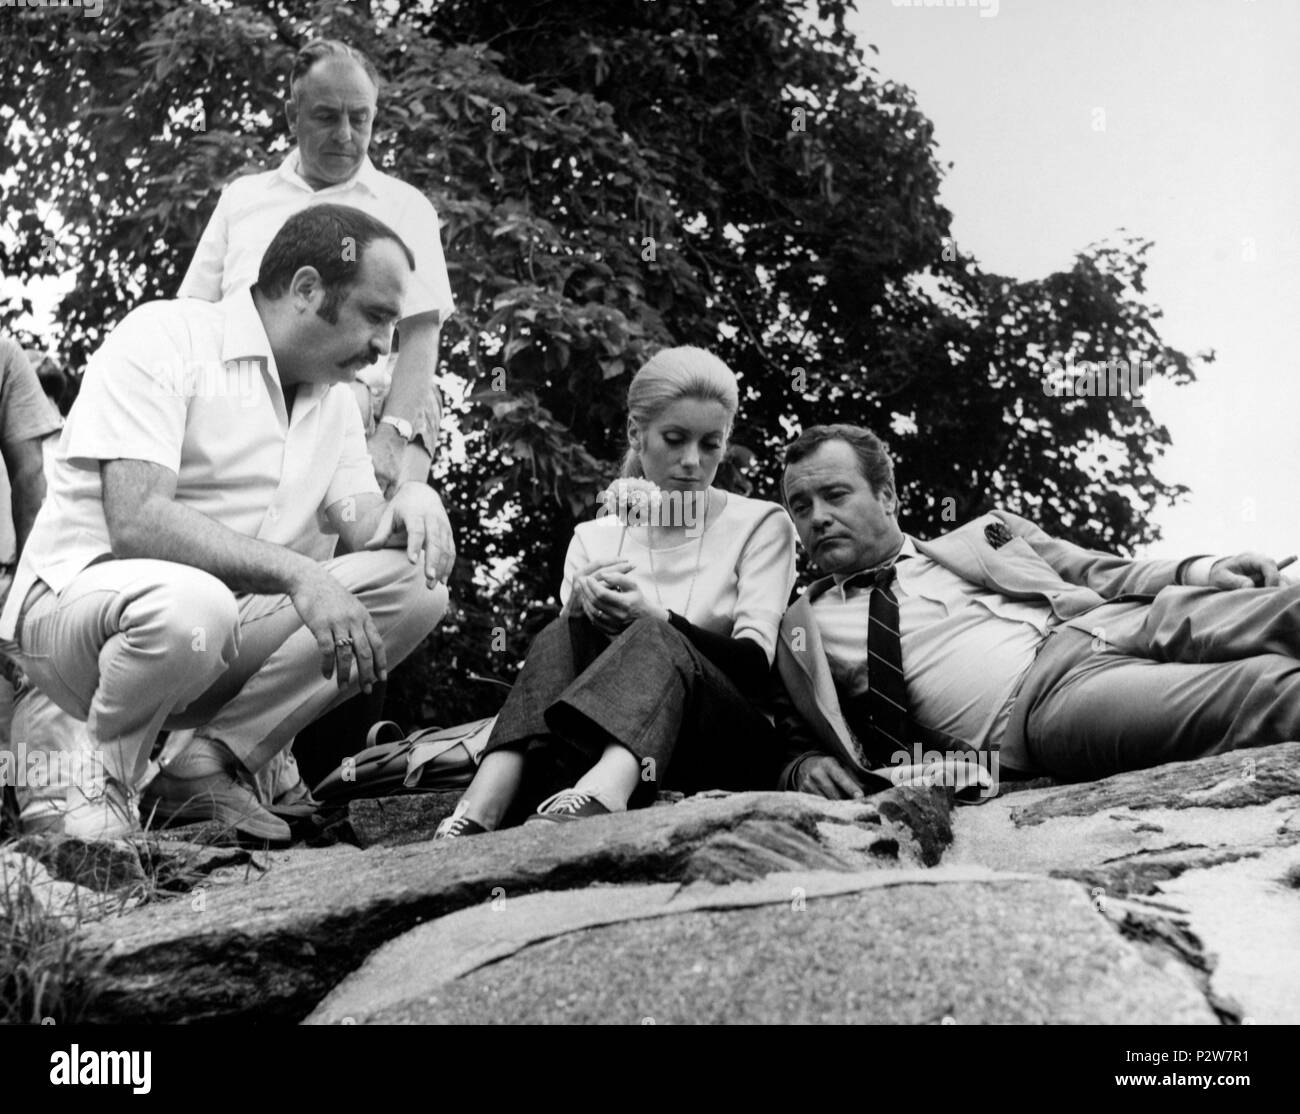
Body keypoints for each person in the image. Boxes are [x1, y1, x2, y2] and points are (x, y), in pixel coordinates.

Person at [0, 204, 454, 843]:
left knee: (417, 583)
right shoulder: (165, 336)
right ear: (306, 289)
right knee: (195, 606)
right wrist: (299, 572)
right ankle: (97, 778)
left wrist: (413, 501)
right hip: (79, 624)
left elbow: (366, 529)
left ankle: (204, 763)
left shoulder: (336, 407)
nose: (386, 347)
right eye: (377, 317)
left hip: (208, 641)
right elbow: (137, 519)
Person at [179, 37, 456, 812]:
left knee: (364, 582)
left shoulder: (403, 206)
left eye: (361, 119)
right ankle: (202, 755)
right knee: (243, 586)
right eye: (327, 117)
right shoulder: (244, 198)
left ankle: (281, 766)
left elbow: (420, 339)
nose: (346, 135)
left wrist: (390, 444)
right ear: (293, 114)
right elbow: (195, 312)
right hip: (238, 410)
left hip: (365, 414)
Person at [771, 423, 1300, 798]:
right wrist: (801, 766)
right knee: (1267, 689)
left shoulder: (985, 534)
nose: (817, 518)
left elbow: (1095, 571)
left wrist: (1206, 570)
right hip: (1044, 704)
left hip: (1108, 621)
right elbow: (784, 724)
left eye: (835, 495)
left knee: (1283, 609)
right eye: (801, 506)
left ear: (886, 495)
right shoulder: (801, 628)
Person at [434, 347, 797, 837]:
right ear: (635, 434)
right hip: (591, 739)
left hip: (726, 744)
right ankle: (481, 805)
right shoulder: (596, 536)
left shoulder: (760, 523)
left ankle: (606, 794)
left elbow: (756, 667)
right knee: (564, 630)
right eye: (674, 439)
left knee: (654, 632)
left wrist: (660, 619)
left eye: (711, 445)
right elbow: (559, 675)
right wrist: (581, 609)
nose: (692, 461)